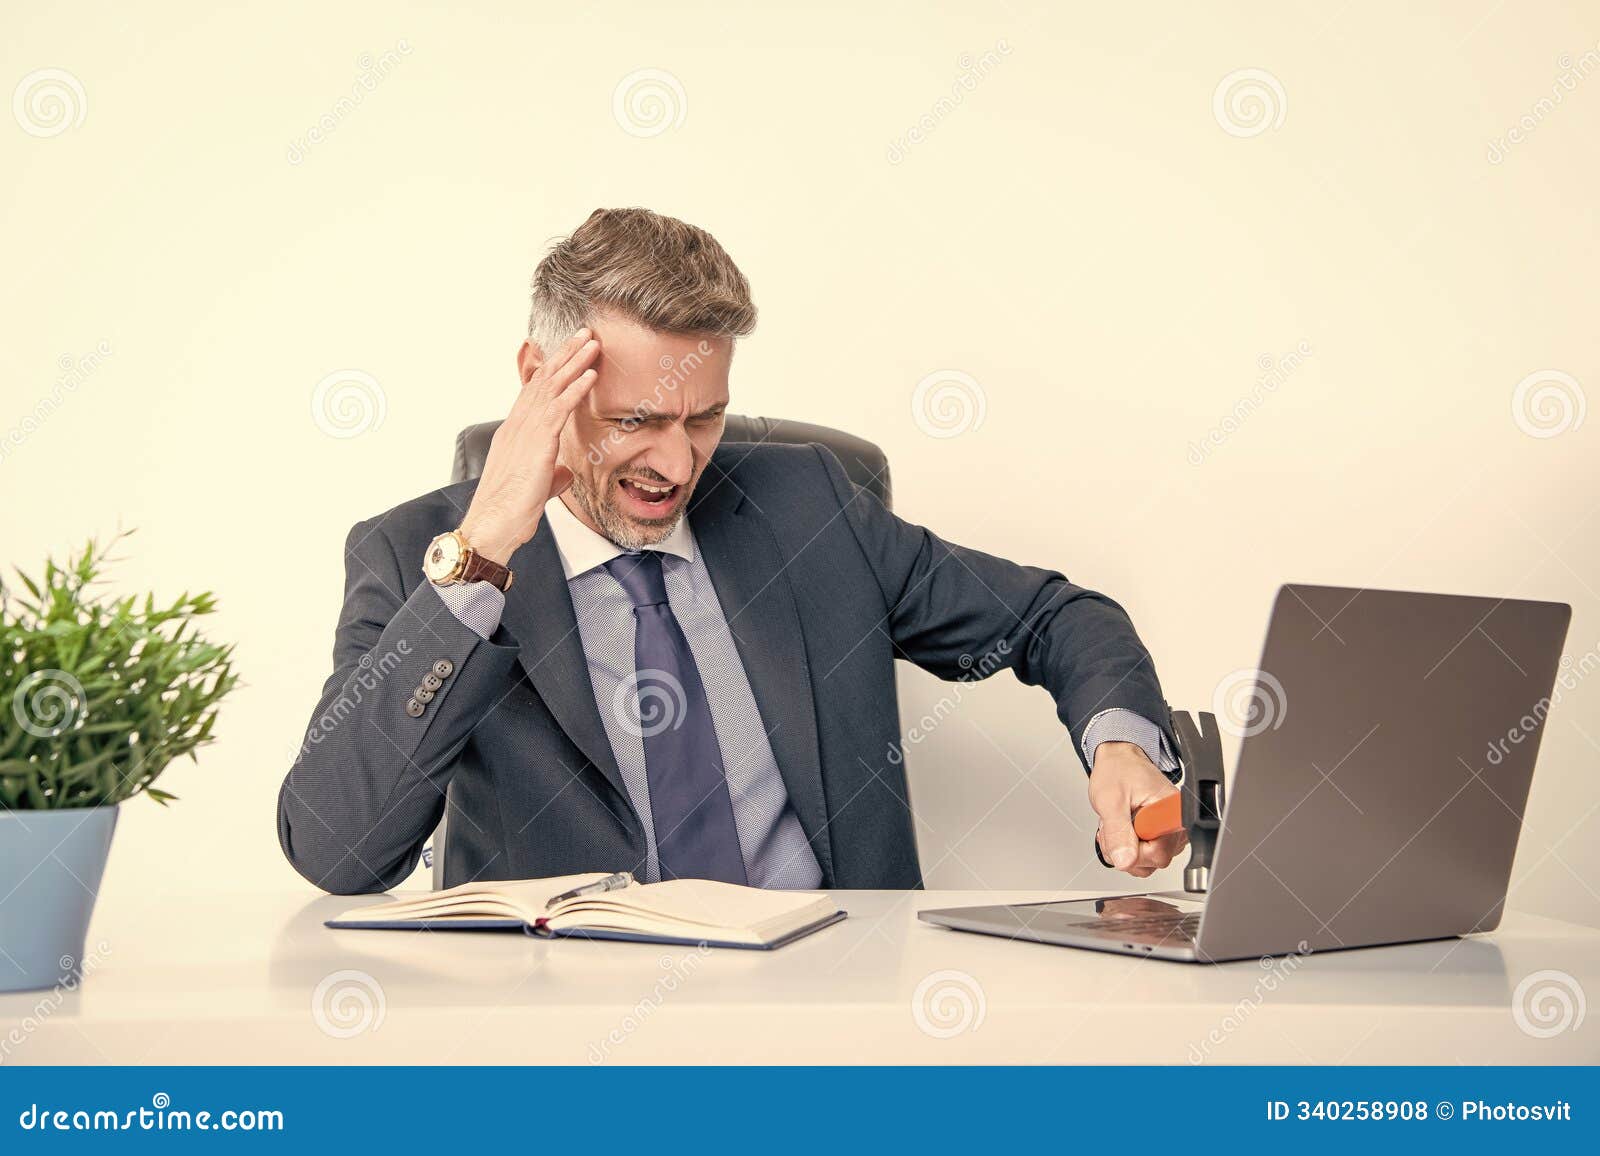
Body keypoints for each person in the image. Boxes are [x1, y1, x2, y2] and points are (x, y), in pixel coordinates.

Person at [277, 207, 1187, 894]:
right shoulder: (416, 557)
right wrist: (480, 554)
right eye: (636, 420)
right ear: (538, 382)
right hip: (567, 1047)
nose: (676, 463)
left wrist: (1122, 746)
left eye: (702, 417)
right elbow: (336, 850)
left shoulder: (810, 510)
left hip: (835, 1025)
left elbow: (1057, 619)